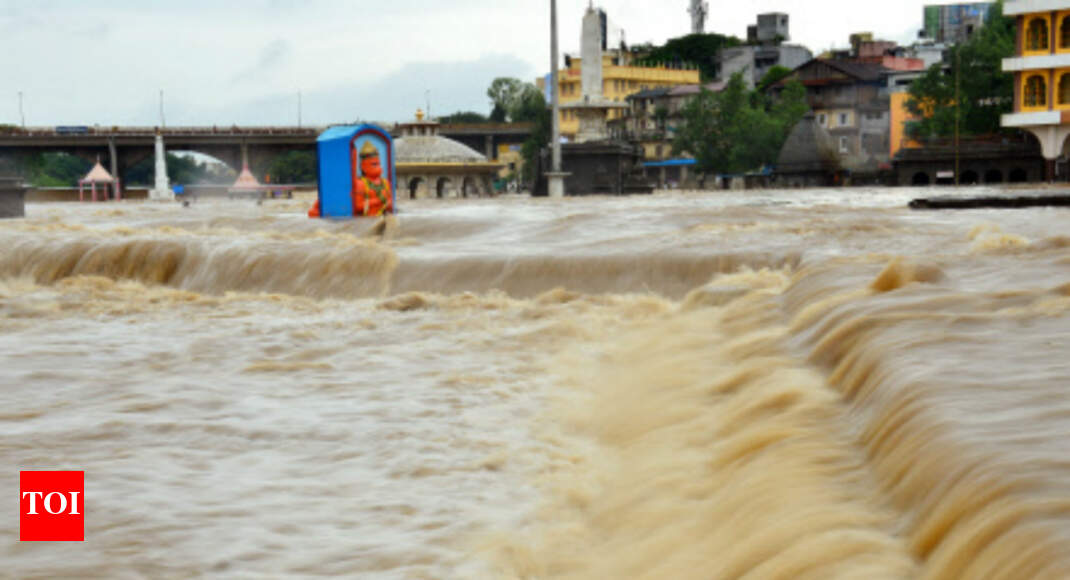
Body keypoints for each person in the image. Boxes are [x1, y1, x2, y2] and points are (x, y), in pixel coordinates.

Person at [308, 141, 393, 218]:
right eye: (374, 164)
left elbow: (391, 203)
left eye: (379, 164)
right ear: (363, 167)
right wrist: (379, 201)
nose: (378, 167)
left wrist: (387, 204)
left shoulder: (385, 183)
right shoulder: (360, 183)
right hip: (366, 218)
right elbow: (357, 205)